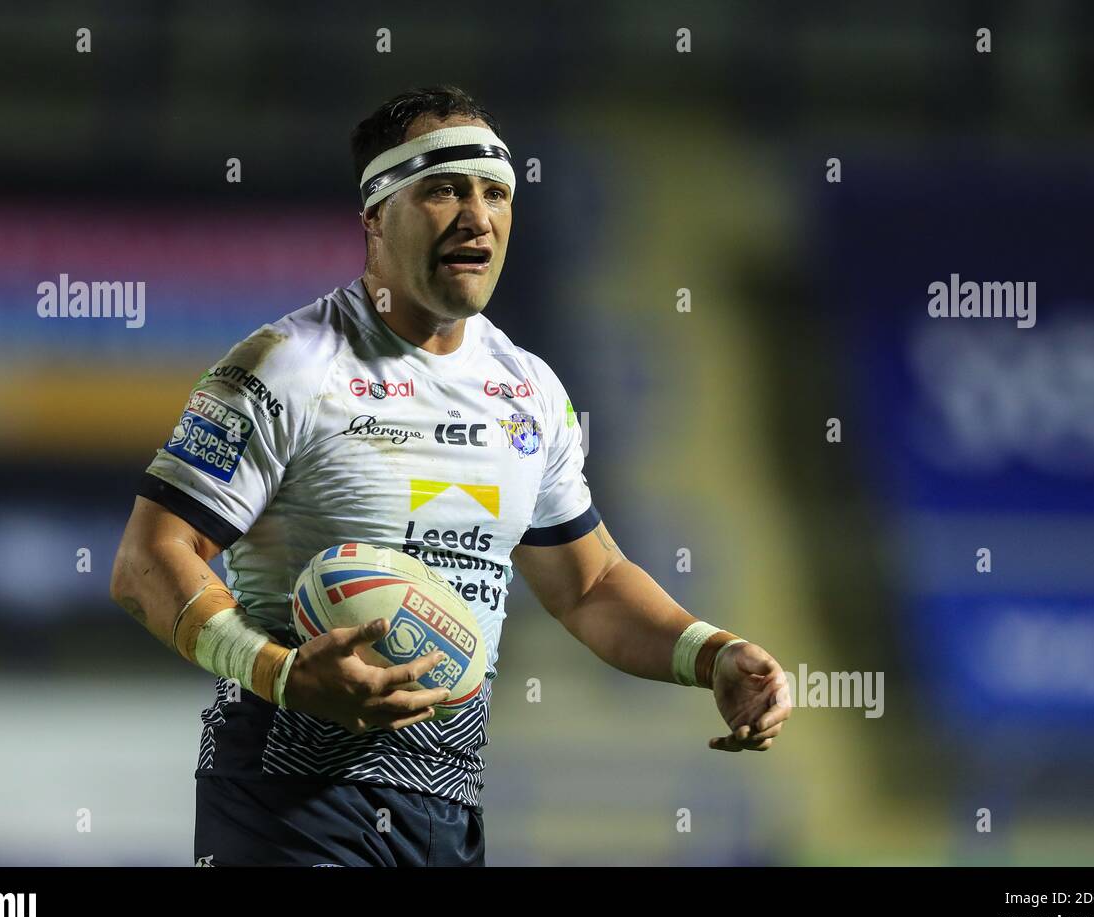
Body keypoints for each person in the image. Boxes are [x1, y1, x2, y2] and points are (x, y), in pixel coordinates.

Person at [109, 84, 791, 867]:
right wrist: (285, 675)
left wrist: (714, 654)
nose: (478, 217)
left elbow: (590, 585)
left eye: (495, 192)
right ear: (373, 215)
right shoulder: (285, 366)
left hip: (446, 805)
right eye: (442, 190)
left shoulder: (529, 389)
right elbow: (145, 562)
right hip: (287, 796)